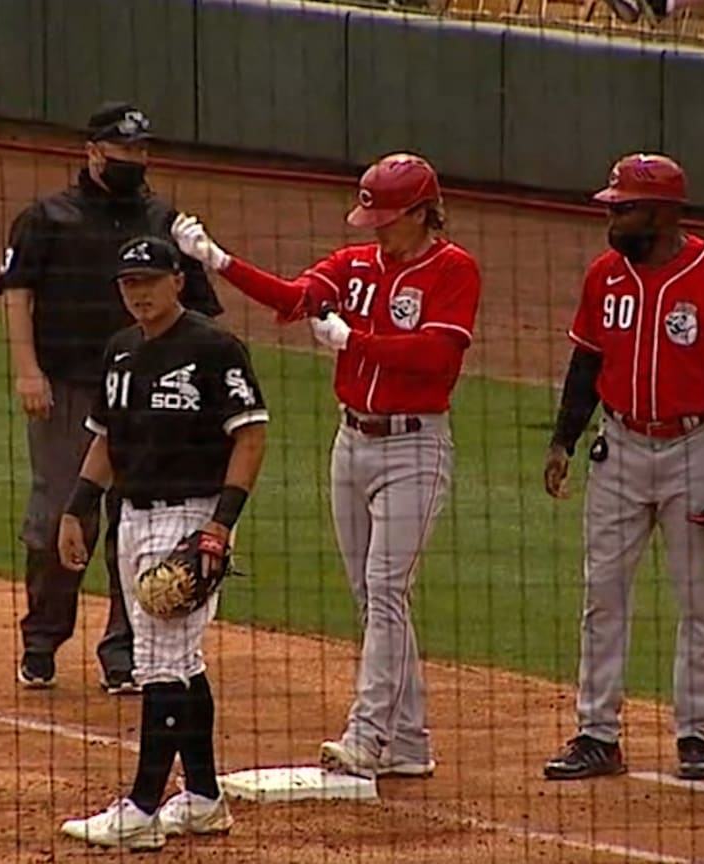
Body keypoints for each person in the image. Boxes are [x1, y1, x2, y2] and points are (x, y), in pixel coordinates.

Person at [168, 152, 482, 779]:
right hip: (351, 443)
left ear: (422, 212)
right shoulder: (355, 263)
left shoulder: (454, 270)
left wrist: (354, 342)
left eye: (386, 217)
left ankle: (366, 737)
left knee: (388, 591)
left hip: (414, 447)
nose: (374, 227)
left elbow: (437, 358)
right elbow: (293, 299)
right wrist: (218, 260)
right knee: (371, 597)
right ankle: (412, 742)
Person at [540, 153, 704, 782]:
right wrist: (563, 439)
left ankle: (695, 733)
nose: (612, 217)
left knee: (699, 599)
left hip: (696, 448)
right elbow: (586, 362)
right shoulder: (603, 276)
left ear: (664, 212)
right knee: (603, 594)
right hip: (619, 447)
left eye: (625, 208)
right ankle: (596, 734)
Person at [0, 101, 223, 693]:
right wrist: (27, 370)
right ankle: (42, 641)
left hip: (146, 400)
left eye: (141, 151)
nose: (133, 161)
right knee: (60, 516)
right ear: (92, 152)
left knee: (137, 522)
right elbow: (16, 292)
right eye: (123, 151)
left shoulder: (162, 219)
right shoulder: (47, 217)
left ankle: (125, 651)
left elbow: (198, 308)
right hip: (67, 387)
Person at [56, 235, 268, 850]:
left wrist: (221, 525)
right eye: (129, 284)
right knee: (180, 662)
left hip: (190, 519)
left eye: (149, 280)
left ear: (178, 279)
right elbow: (105, 439)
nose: (139, 293)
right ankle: (202, 800)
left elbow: (250, 436)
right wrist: (77, 509)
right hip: (131, 519)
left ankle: (143, 809)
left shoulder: (213, 348)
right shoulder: (120, 351)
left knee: (160, 666)